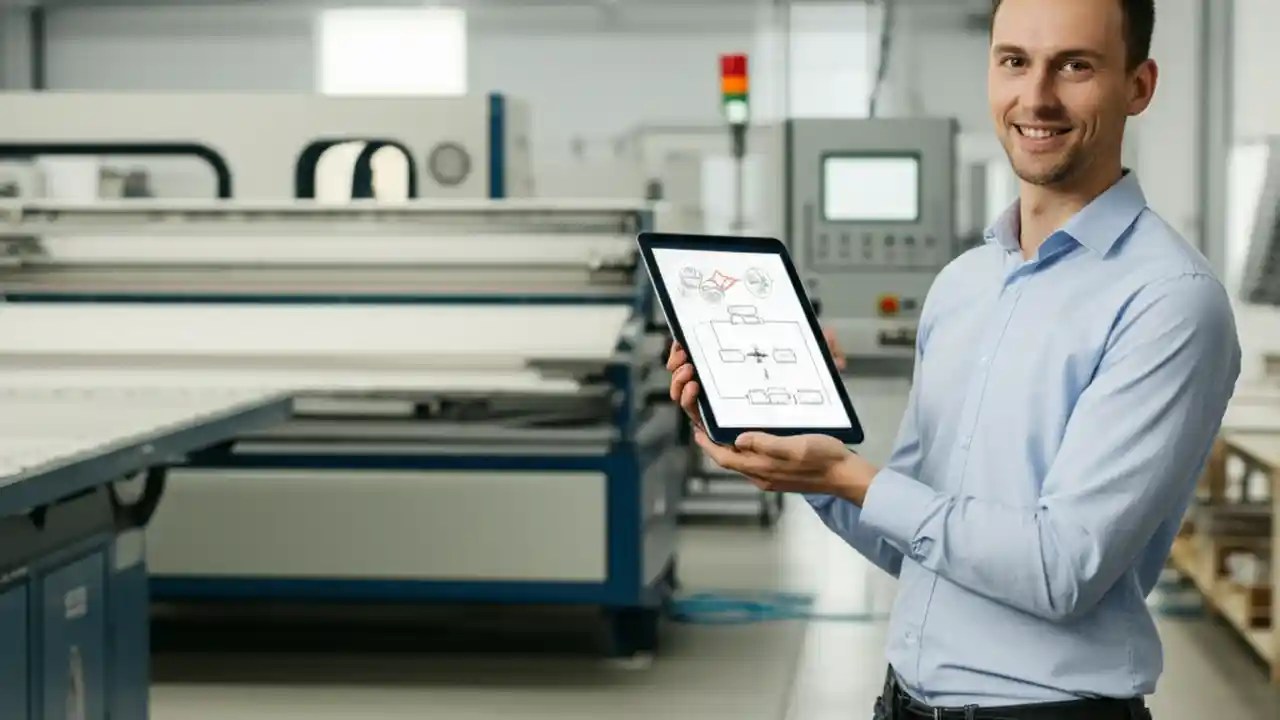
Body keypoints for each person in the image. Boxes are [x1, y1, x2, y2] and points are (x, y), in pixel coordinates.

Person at [666, 0, 1241, 717]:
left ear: (1139, 85)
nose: (1036, 97)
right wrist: (806, 458)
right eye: (1014, 62)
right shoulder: (964, 285)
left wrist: (851, 476)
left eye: (1075, 65)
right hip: (904, 703)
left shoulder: (1168, 302)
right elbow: (911, 542)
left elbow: (1062, 570)